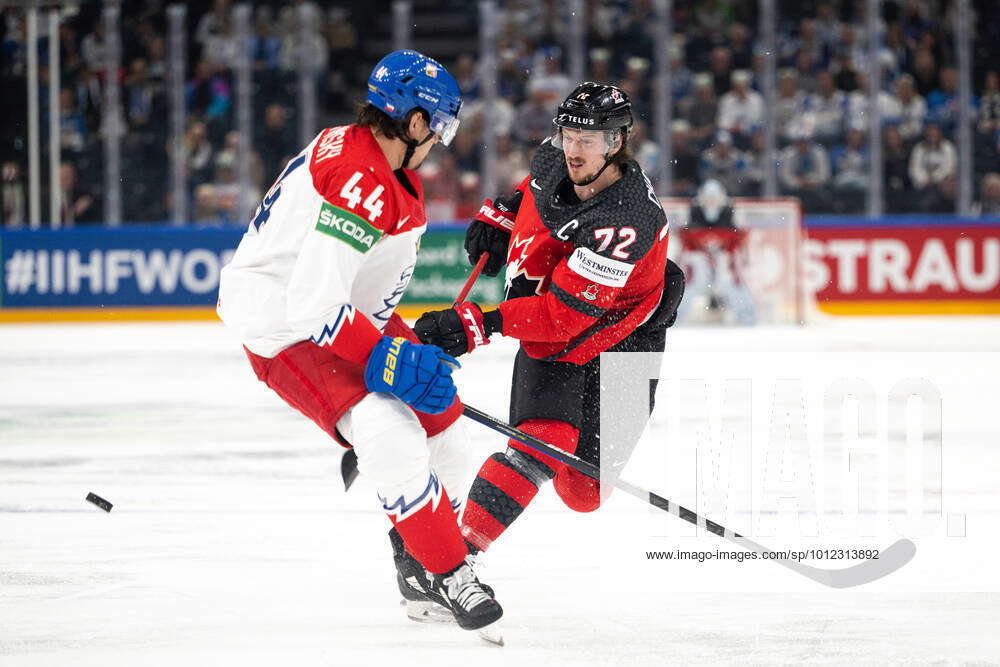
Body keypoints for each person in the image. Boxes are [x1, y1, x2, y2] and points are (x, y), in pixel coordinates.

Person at [216, 50, 502, 634]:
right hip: (284, 327)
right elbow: (313, 302)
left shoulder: (367, 155)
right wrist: (383, 357)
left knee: (445, 420)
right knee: (387, 433)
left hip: (337, 309)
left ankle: (417, 560)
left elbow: (346, 284)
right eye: (439, 127)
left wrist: (392, 348)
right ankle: (448, 573)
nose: (439, 142)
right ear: (415, 121)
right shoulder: (362, 180)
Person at [413, 83, 685, 557]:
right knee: (543, 441)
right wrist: (505, 212)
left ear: (616, 142)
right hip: (563, 324)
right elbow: (535, 189)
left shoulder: (626, 220)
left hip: (628, 334)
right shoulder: (556, 154)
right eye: (569, 136)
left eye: (588, 140)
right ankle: (452, 559)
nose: (573, 150)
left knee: (584, 492)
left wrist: (478, 324)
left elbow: (561, 318)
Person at [675, 179, 757, 325]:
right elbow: (684, 244)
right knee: (689, 287)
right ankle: (673, 318)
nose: (711, 201)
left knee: (731, 285)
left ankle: (748, 318)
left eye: (714, 198)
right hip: (699, 265)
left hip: (723, 263)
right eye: (708, 198)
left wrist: (738, 261)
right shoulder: (692, 214)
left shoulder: (731, 215)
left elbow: (740, 242)